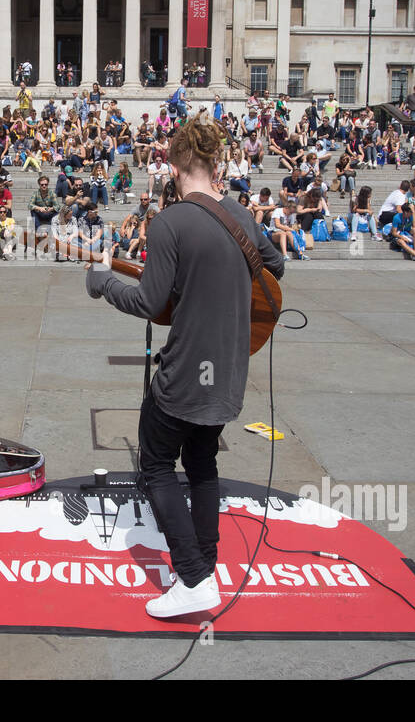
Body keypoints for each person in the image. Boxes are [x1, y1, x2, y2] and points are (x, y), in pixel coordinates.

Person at [83, 113, 285, 619]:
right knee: (202, 464)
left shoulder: (170, 221)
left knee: (155, 466)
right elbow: (275, 267)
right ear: (215, 165)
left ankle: (193, 578)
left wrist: (102, 282)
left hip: (185, 373)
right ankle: (206, 565)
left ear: (174, 166)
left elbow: (149, 304)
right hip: (231, 373)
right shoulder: (239, 213)